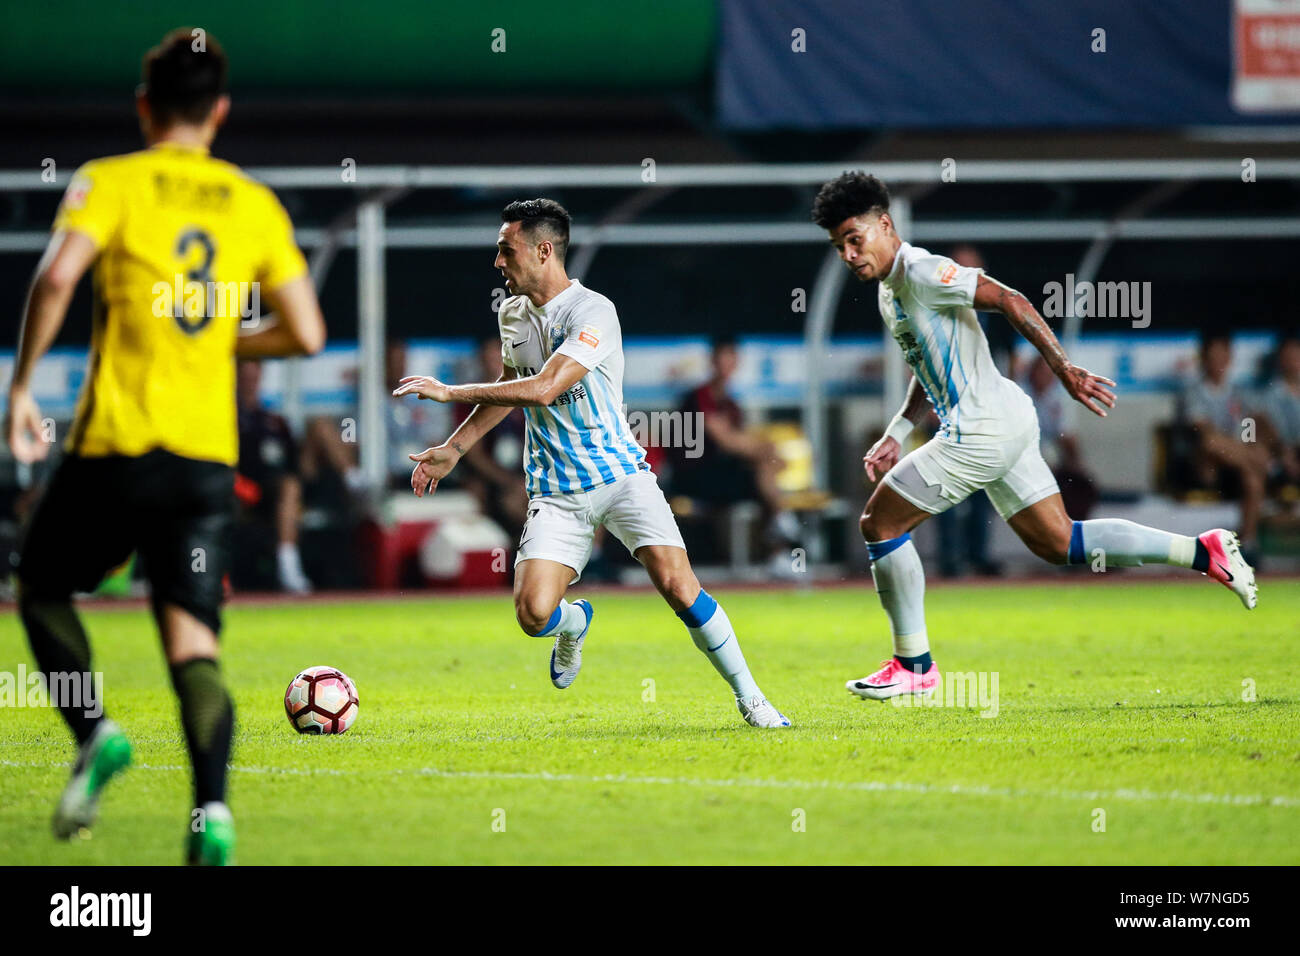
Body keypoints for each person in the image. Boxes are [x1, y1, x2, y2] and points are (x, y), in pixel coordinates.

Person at [4, 30, 326, 864]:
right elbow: (307, 330)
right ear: (220, 110)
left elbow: (57, 278)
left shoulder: (108, 181)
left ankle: (96, 730)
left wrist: (21, 387)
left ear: (144, 105)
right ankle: (212, 813)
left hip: (115, 444)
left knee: (40, 587)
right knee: (193, 641)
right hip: (202, 463)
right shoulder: (252, 203)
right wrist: (225, 338)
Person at [809, 172, 1256, 701]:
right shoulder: (891, 292)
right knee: (1060, 541)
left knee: (878, 522)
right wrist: (898, 431)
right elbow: (925, 366)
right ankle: (1203, 552)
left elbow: (1010, 299)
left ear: (885, 225)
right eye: (839, 246)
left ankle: (914, 665)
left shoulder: (923, 272)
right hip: (1004, 420)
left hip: (981, 430)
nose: (848, 254)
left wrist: (1064, 369)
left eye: (854, 239)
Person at [393, 199, 789, 727]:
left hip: (620, 477)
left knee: (678, 586)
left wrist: (448, 391)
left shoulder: (593, 311)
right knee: (533, 616)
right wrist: (456, 447)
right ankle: (573, 622)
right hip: (555, 490)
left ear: (543, 250)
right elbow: (512, 386)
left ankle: (752, 698)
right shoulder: (511, 313)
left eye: (505, 251)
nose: (497, 262)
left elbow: (544, 387)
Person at [671, 335, 800, 567]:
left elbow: (741, 443)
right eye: (723, 357)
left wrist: (766, 454)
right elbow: (726, 441)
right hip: (693, 478)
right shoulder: (700, 396)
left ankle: (779, 549)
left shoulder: (731, 404)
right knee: (762, 476)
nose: (727, 364)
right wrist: (767, 452)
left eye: (732, 358)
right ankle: (781, 529)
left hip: (720, 476)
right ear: (712, 360)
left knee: (762, 476)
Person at [1180, 333, 1292, 554]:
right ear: (1203, 359)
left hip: (1237, 467)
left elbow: (1257, 420)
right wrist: (1250, 452)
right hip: (1207, 467)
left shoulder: (1239, 392)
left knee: (1253, 478)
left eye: (1223, 356)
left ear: (1230, 359)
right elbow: (1204, 431)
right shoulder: (1193, 392)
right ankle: (1268, 466)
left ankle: (1246, 544)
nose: (1218, 362)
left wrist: (1275, 445)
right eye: (1213, 357)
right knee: (1212, 441)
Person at [235, 360, 313, 593]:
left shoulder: (274, 421)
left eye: (254, 378)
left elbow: (294, 464)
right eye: (245, 378)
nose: (250, 384)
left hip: (274, 493)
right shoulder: (227, 417)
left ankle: (288, 566)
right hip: (239, 489)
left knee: (290, 487)